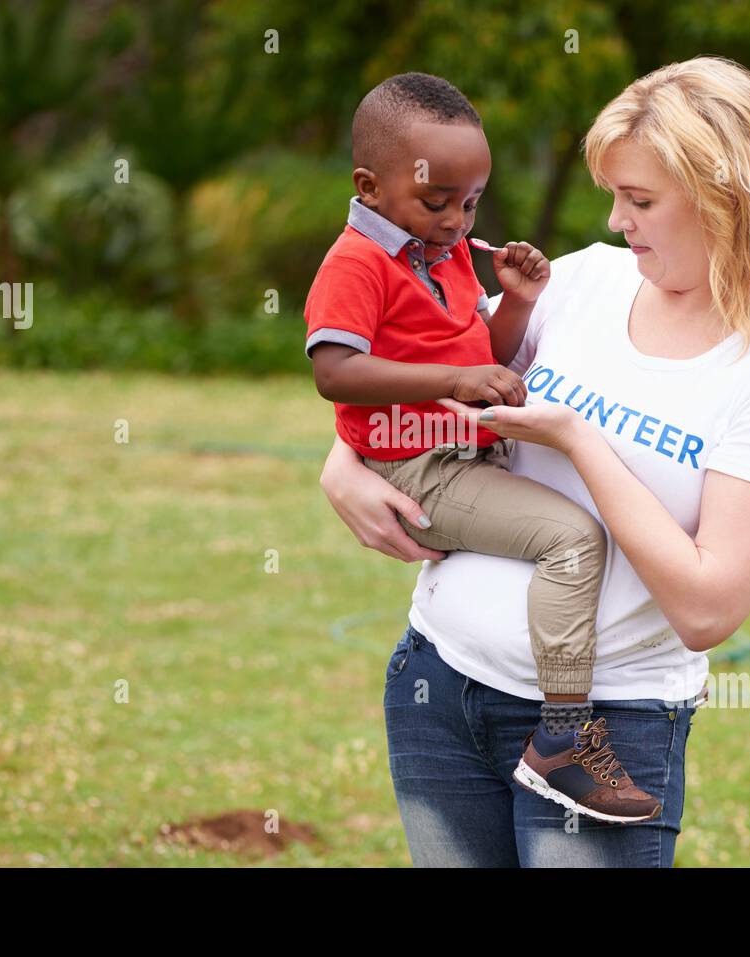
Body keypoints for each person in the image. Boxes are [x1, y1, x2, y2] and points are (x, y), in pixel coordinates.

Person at [320, 56, 750, 867]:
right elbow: (421, 371)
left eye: (640, 200)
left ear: (725, 201)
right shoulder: (588, 282)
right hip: (440, 687)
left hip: (609, 727)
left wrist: (579, 442)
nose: (617, 222)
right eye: (615, 197)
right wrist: (340, 465)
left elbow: (707, 608)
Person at [305, 72, 659, 823]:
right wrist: (453, 378)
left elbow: (481, 371)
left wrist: (519, 303)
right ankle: (563, 741)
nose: (456, 221)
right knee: (572, 540)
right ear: (369, 186)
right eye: (436, 203)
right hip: (420, 466)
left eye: (470, 203)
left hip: (462, 453)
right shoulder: (356, 264)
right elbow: (334, 372)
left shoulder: (441, 259)